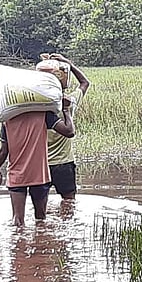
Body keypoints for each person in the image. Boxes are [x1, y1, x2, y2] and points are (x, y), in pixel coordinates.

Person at [0, 86, 74, 226]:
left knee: (17, 221)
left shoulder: (8, 118)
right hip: (39, 175)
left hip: (17, 175)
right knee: (41, 220)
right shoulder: (44, 115)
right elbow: (69, 131)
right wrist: (66, 110)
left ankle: (18, 246)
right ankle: (40, 245)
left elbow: (3, 151)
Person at [43, 54, 90, 200]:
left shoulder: (36, 107)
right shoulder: (70, 102)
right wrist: (68, 63)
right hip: (64, 164)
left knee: (39, 205)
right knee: (69, 202)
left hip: (40, 165)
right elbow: (84, 83)